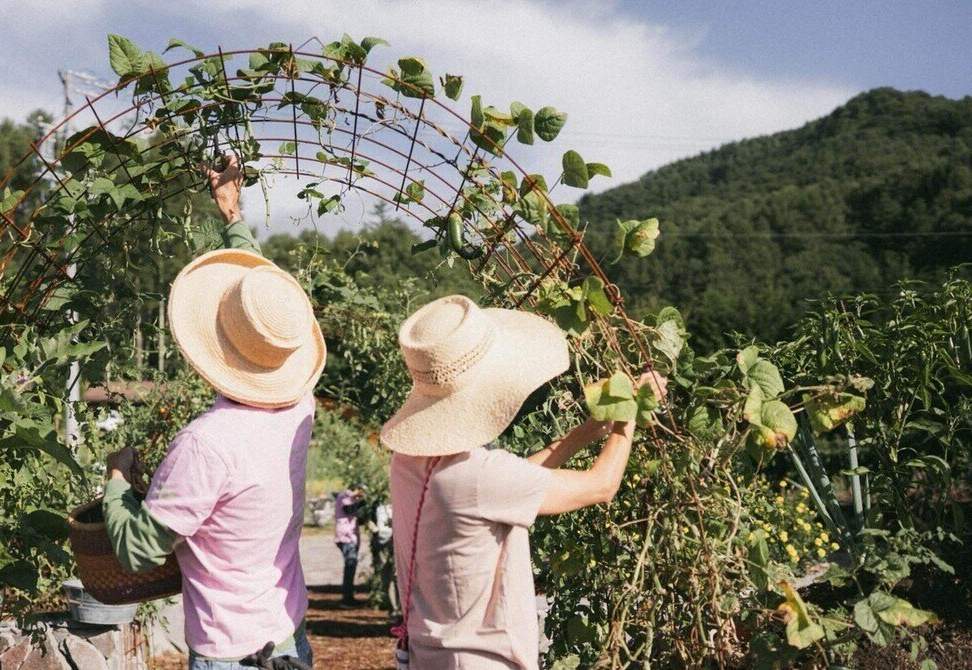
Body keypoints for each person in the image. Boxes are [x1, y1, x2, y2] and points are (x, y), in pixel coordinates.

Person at [101, 155, 319, 670]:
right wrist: (231, 214)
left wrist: (116, 477)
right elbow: (263, 313)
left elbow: (138, 550)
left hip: (231, 655)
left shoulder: (206, 444)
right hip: (289, 639)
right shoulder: (299, 407)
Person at [382, 295, 666, 669]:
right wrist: (629, 411)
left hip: (430, 655)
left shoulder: (409, 461)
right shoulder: (479, 476)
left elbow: (512, 483)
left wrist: (590, 429)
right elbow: (601, 485)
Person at [333, 485, 364, 605]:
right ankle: (347, 598)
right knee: (350, 565)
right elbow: (348, 510)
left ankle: (348, 596)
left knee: (351, 567)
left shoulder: (350, 499)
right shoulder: (344, 497)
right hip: (346, 538)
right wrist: (361, 502)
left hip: (351, 538)